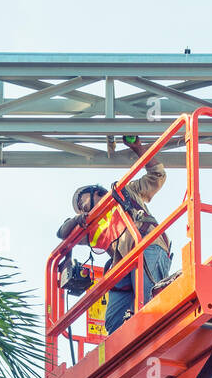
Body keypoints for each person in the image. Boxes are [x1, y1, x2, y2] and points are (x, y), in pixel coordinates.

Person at [56, 137, 172, 334]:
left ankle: (157, 335)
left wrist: (137, 148)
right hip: (124, 267)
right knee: (113, 323)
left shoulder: (124, 192)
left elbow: (157, 174)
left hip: (148, 248)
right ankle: (130, 354)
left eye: (82, 200)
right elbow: (62, 233)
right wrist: (77, 220)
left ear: (96, 192)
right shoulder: (89, 226)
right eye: (79, 208)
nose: (81, 206)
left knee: (150, 303)